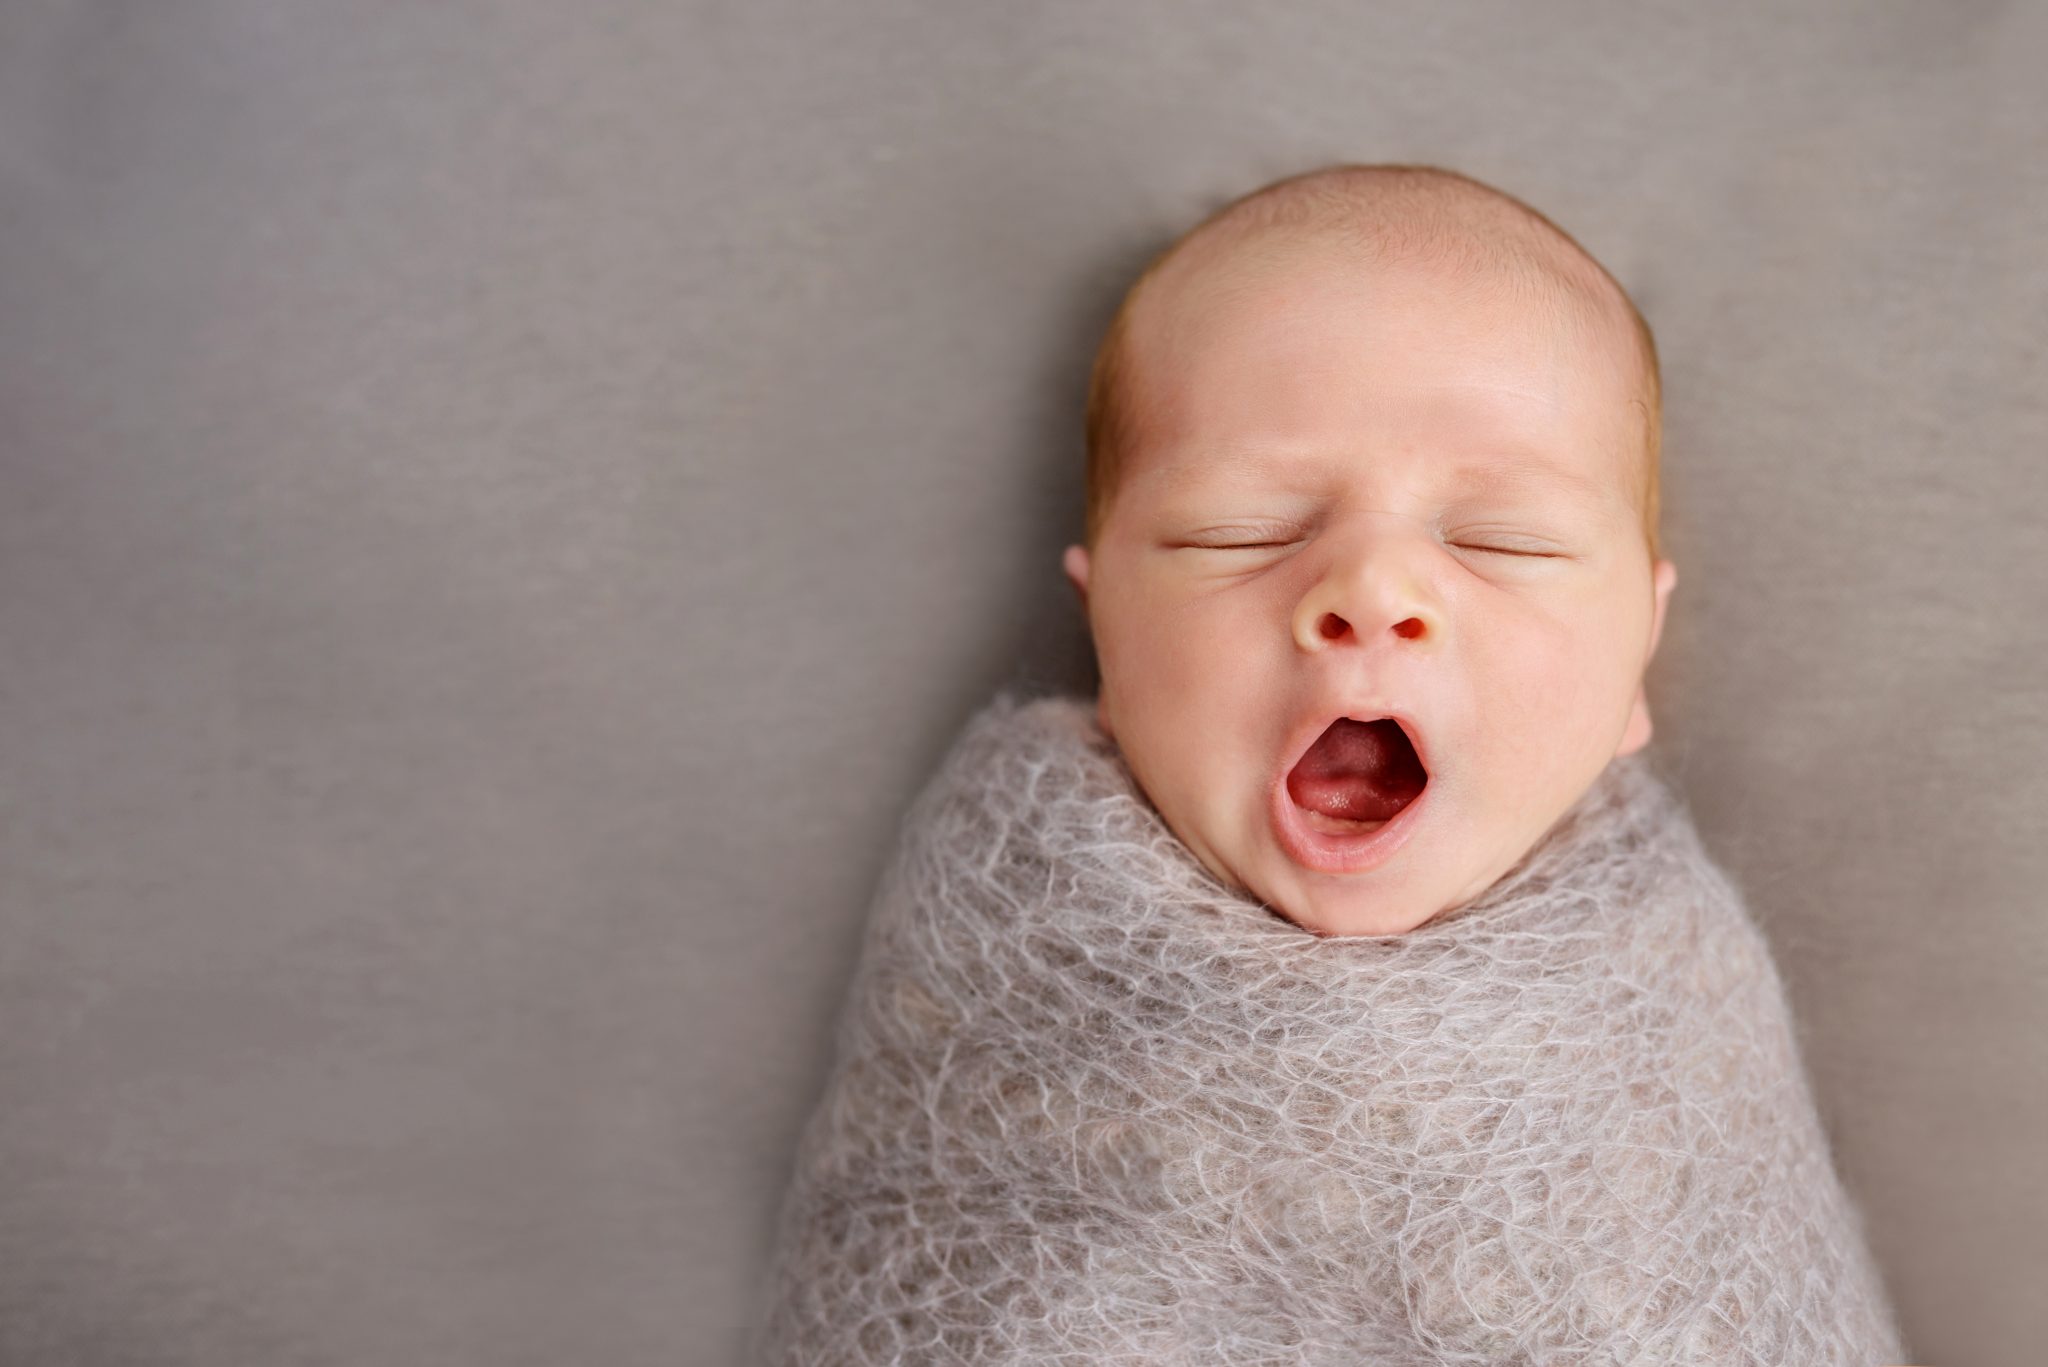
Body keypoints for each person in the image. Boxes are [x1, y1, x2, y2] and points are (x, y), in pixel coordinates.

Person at [1060, 162, 1678, 936]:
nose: (1373, 590)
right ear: (1104, 639)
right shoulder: (998, 919)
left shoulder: (1683, 967)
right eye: (1245, 532)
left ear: (1638, 658)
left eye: (1506, 542)